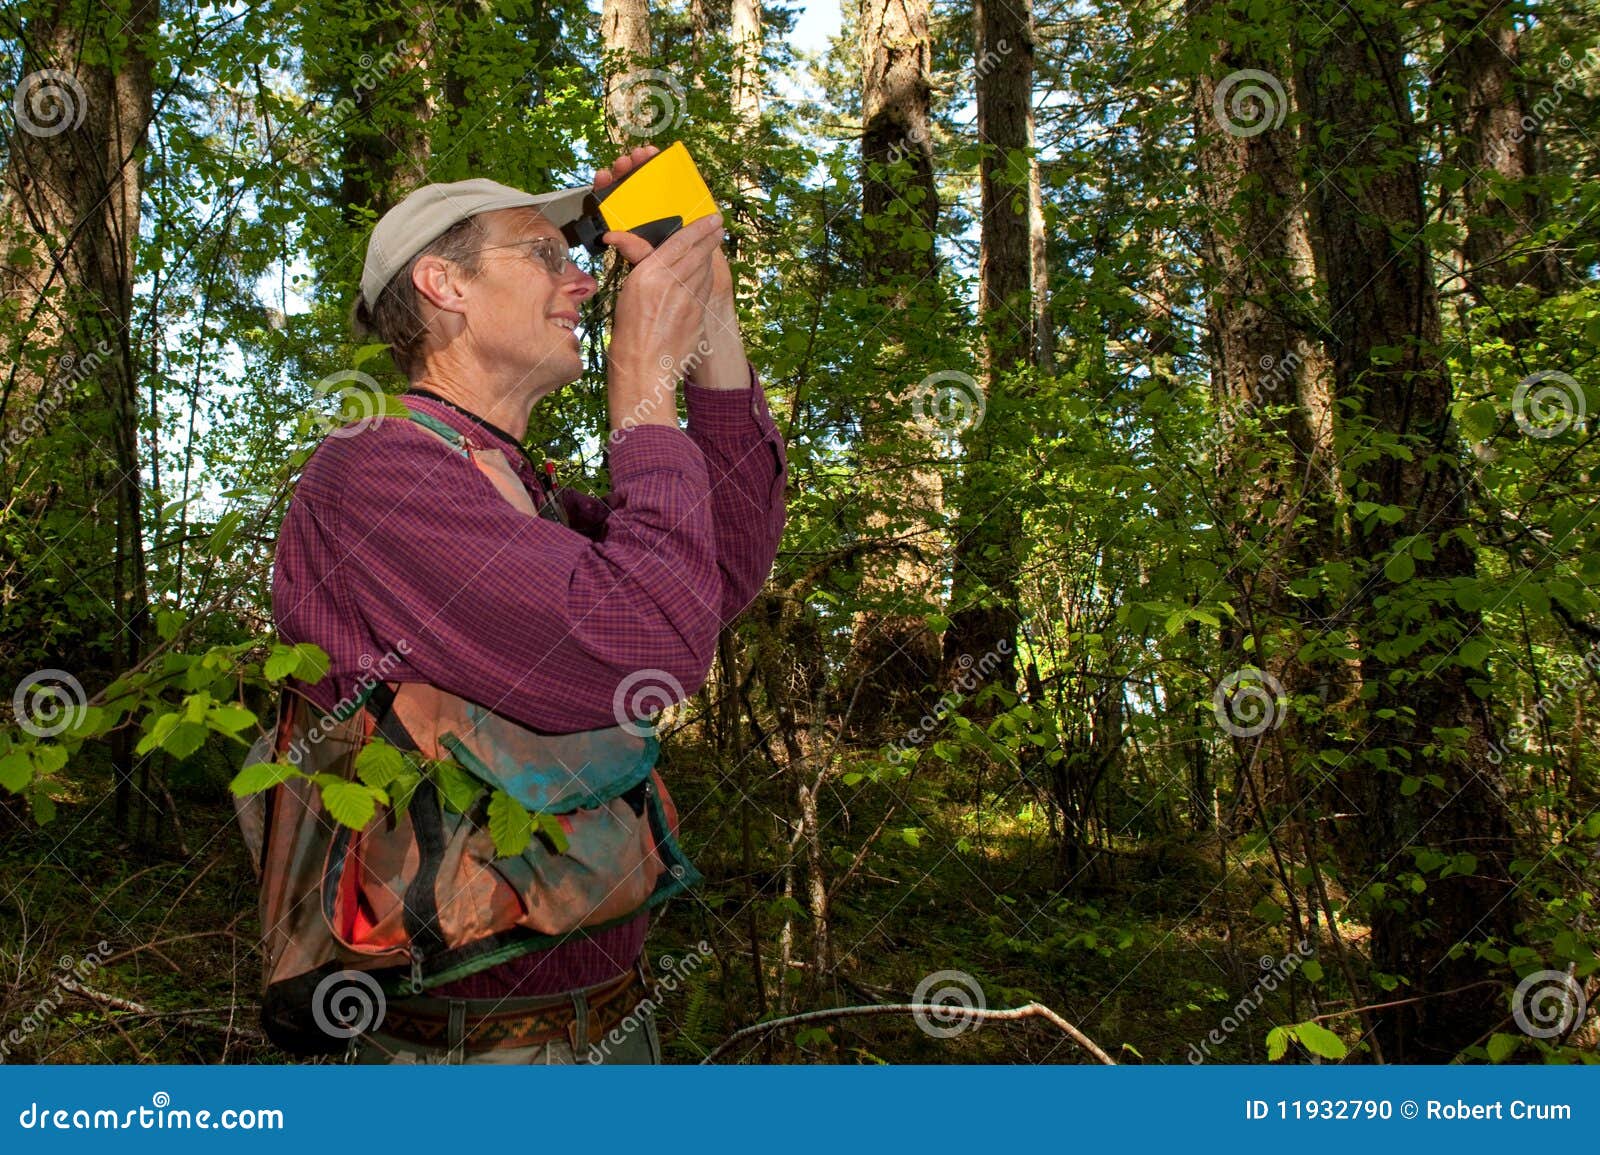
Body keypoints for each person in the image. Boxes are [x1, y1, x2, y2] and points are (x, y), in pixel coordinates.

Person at [268, 144, 787, 1063]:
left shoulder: (511, 481)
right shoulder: (375, 472)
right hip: (461, 1054)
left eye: (577, 254)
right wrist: (642, 392)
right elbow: (648, 649)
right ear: (443, 284)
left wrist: (710, 311)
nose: (583, 283)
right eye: (545, 255)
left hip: (609, 1021)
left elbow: (723, 575)